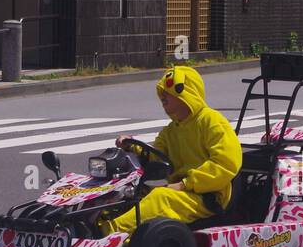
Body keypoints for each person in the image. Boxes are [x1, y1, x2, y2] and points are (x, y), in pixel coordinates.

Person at [97, 65, 243, 236]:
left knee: (161, 198)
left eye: (167, 92)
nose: (162, 96)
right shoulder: (171, 130)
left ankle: (108, 233)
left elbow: (226, 162)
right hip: (182, 190)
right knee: (130, 193)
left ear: (186, 92)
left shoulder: (211, 121)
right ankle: (95, 221)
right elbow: (155, 155)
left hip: (208, 196)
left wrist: (184, 184)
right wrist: (131, 146)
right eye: (161, 93)